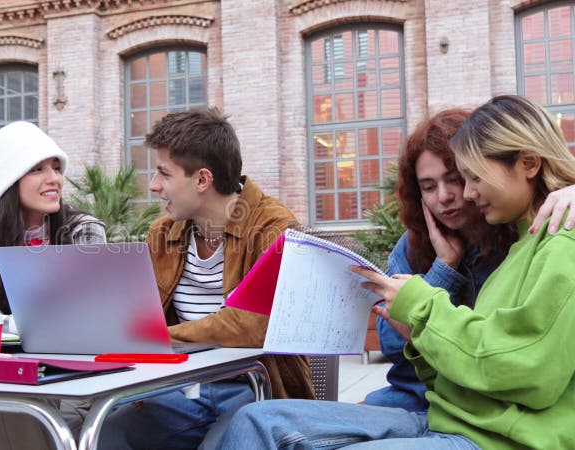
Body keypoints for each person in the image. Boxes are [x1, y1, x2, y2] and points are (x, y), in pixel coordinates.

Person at [217, 94, 575, 450]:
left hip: (486, 428)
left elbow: (519, 367)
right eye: (429, 187)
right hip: (447, 411)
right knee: (254, 419)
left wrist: (423, 306)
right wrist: (429, 303)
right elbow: (414, 352)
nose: (458, 194)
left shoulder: (548, 241)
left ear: (528, 164)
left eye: (467, 178)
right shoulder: (449, 245)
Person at [98, 108, 314, 450]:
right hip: (181, 387)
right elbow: (138, 311)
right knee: (106, 434)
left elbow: (251, 325)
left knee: (224, 443)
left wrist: (157, 337)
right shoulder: (163, 232)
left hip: (255, 389)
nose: (153, 186)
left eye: (163, 174)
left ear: (202, 179)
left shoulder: (274, 228)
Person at [0, 121, 106, 449]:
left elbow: (88, 319)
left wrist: (14, 326)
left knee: (27, 413)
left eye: (55, 167)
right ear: (10, 181)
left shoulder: (82, 231)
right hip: (9, 375)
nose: (54, 178)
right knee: (17, 406)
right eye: (37, 169)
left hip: (77, 374)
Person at [363, 109, 518, 412]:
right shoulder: (410, 246)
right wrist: (444, 267)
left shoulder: (514, 240)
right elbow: (393, 345)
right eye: (429, 187)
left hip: (482, 403)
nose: (444, 196)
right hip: (414, 395)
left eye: (454, 180)